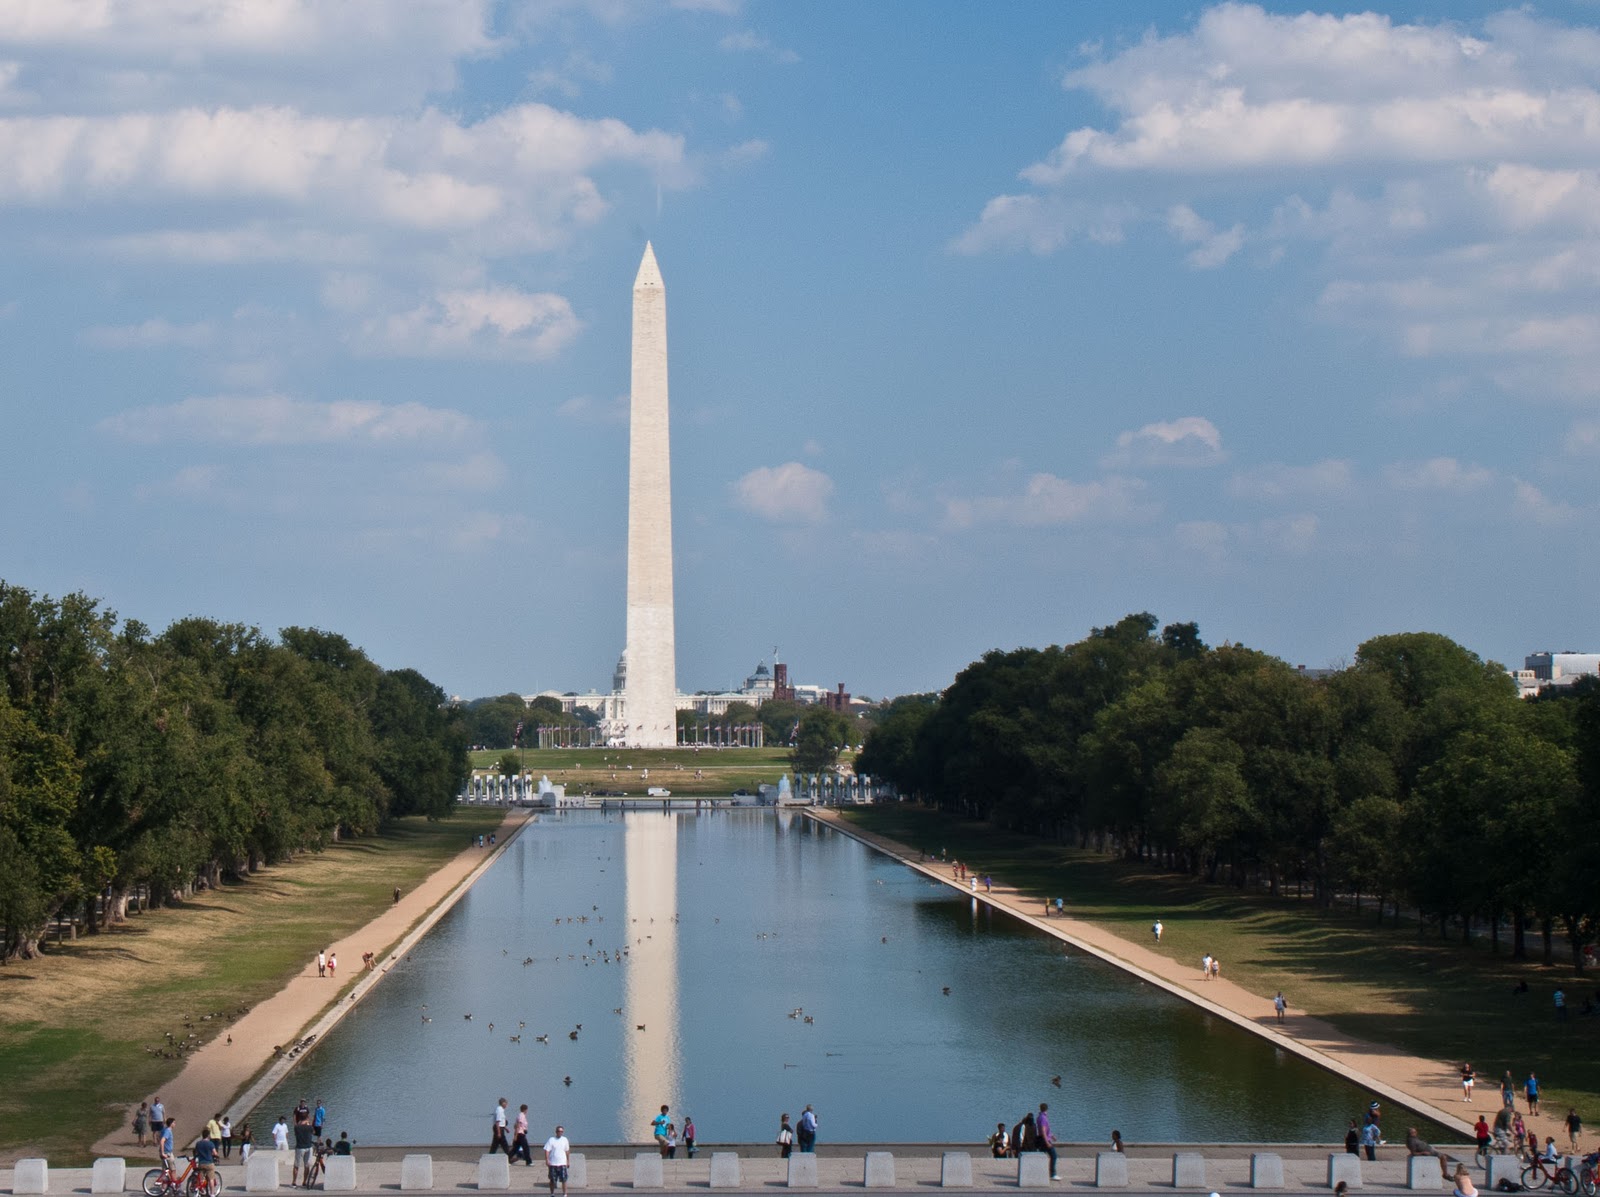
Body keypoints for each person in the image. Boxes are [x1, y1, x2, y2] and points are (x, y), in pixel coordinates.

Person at [543, 1124, 571, 1197]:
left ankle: (565, 1194)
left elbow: (567, 1151)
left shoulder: (565, 1140)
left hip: (562, 1163)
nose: (560, 1132)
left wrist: (568, 1161)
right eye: (559, 1131)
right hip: (553, 1163)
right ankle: (552, 1193)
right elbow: (547, 1150)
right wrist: (547, 1160)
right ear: (556, 1132)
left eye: (561, 1131)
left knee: (564, 1180)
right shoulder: (551, 1139)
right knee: (552, 1180)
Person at [292, 1109, 316, 1188]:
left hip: (299, 1147)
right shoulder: (309, 1127)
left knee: (296, 1165)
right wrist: (310, 1124)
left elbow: (296, 1131)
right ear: (307, 1118)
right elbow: (314, 1132)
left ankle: (294, 1181)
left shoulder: (297, 1127)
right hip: (308, 1147)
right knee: (307, 1166)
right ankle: (304, 1181)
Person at [194, 1124, 219, 1197]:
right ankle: (212, 1193)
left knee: (201, 1178)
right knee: (211, 1178)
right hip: (209, 1163)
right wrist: (217, 1156)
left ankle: (201, 1190)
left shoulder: (198, 1143)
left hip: (201, 1163)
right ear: (208, 1135)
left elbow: (195, 1151)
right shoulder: (210, 1143)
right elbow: (215, 1153)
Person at [1037, 1103, 1058, 1181]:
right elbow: (1043, 1131)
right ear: (1046, 1109)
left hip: (1043, 1139)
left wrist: (1052, 1136)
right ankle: (1052, 1174)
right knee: (1054, 1155)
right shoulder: (1043, 1118)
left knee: (1041, 1156)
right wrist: (1047, 1142)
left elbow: (1045, 1130)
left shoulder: (1040, 1117)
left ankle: (1039, 1172)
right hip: (1044, 1140)